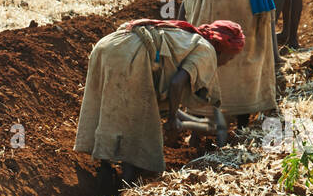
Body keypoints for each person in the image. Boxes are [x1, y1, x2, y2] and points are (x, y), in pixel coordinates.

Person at [74, 19, 244, 185]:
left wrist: (175, 115)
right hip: (130, 54)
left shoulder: (188, 36)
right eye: (229, 58)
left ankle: (104, 166)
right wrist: (171, 119)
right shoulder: (207, 50)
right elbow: (176, 84)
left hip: (109, 44)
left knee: (106, 105)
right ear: (222, 49)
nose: (226, 63)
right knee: (138, 122)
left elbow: (167, 88)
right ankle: (128, 181)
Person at [182, 0, 279, 121]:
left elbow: (189, 9)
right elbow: (268, 17)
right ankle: (244, 117)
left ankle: (206, 116)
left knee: (212, 55)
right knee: (246, 55)